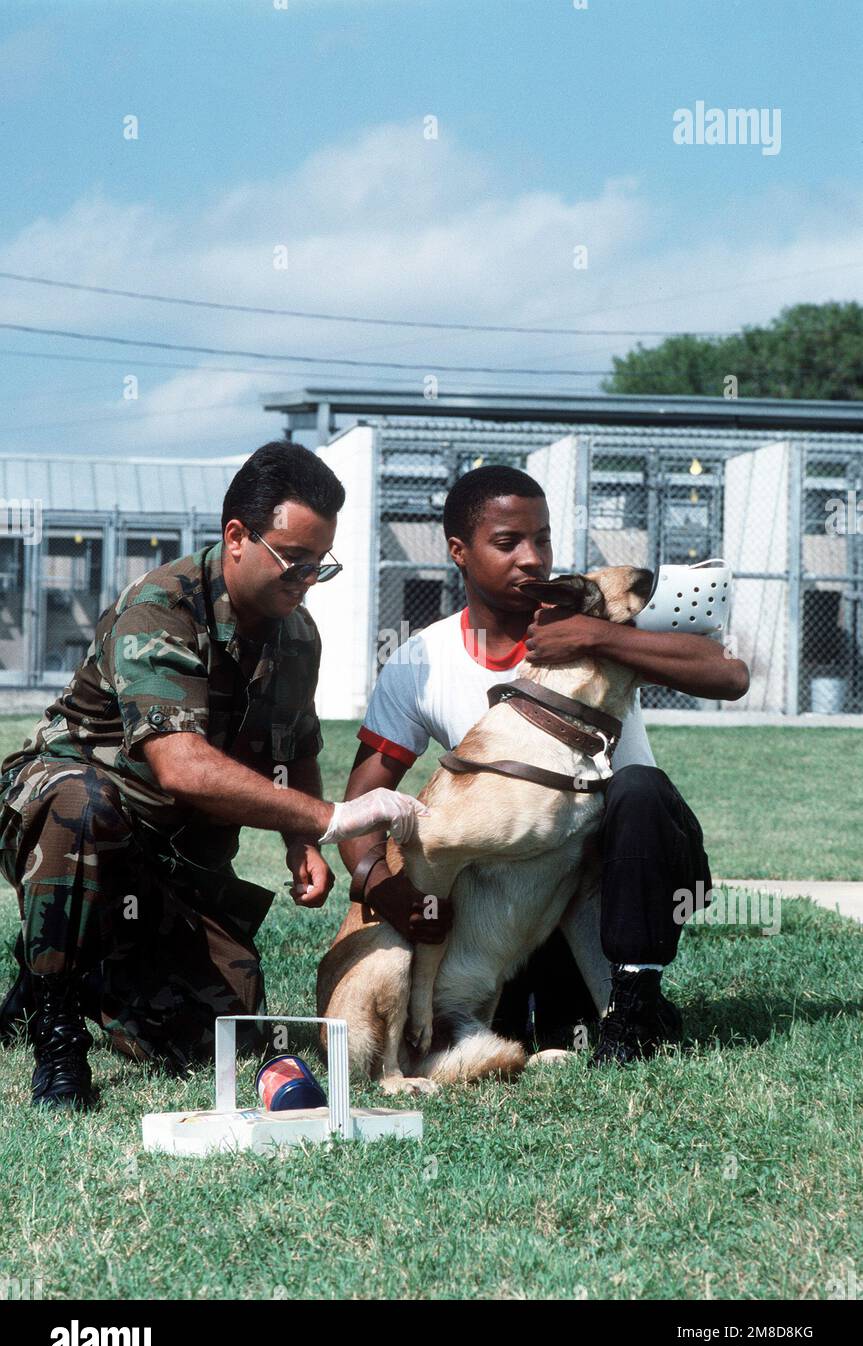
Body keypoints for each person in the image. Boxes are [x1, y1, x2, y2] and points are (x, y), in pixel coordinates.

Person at [0, 442, 426, 1110]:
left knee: (227, 1035)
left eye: (322, 564)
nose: (308, 579)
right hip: (75, 817)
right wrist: (331, 820)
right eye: (296, 560)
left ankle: (79, 965)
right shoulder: (161, 607)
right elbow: (182, 767)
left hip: (174, 861)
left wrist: (298, 842)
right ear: (236, 537)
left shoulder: (296, 635)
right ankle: (54, 1027)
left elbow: (297, 745)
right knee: (84, 803)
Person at [338, 465, 750, 1067]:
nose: (533, 559)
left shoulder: (599, 613)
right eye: (508, 543)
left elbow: (729, 674)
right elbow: (361, 802)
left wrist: (594, 638)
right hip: (514, 902)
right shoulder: (420, 659)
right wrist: (385, 888)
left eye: (544, 539)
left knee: (637, 789)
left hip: (615, 876)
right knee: (522, 1034)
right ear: (459, 550)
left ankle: (635, 999)